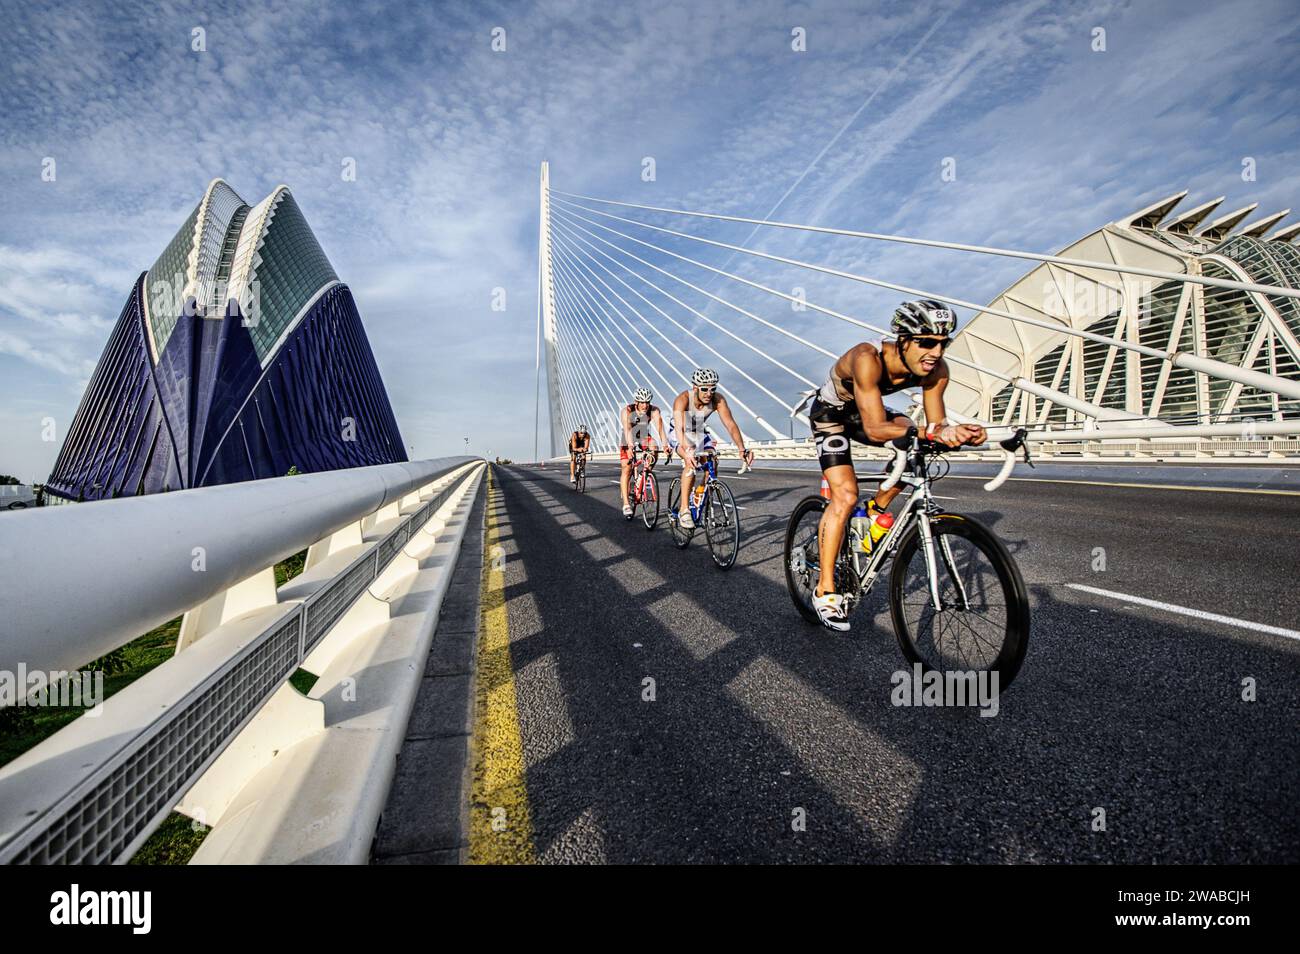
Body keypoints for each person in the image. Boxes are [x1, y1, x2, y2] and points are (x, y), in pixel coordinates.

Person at [808, 299, 986, 631]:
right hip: (831, 417)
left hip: (867, 411)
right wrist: (934, 432)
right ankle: (825, 590)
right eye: (926, 343)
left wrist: (960, 433)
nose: (935, 352)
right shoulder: (867, 358)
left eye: (942, 344)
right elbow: (875, 428)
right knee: (845, 497)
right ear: (902, 340)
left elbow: (935, 427)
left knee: (920, 443)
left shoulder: (937, 371)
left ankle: (876, 509)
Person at [669, 368, 754, 529]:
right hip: (679, 432)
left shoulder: (717, 400)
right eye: (704, 389)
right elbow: (679, 430)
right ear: (695, 388)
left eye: (713, 388)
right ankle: (684, 509)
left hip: (698, 432)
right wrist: (687, 452)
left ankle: (699, 493)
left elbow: (730, 424)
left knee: (712, 461)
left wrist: (742, 448)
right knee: (691, 460)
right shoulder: (683, 399)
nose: (709, 393)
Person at [620, 387, 669, 518]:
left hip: (642, 435)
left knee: (654, 446)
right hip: (628, 436)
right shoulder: (627, 411)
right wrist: (630, 447)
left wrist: (665, 445)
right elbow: (627, 429)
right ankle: (626, 504)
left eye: (647, 402)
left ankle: (643, 476)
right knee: (627, 468)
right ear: (636, 402)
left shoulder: (654, 410)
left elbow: (660, 429)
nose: (645, 405)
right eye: (642, 402)